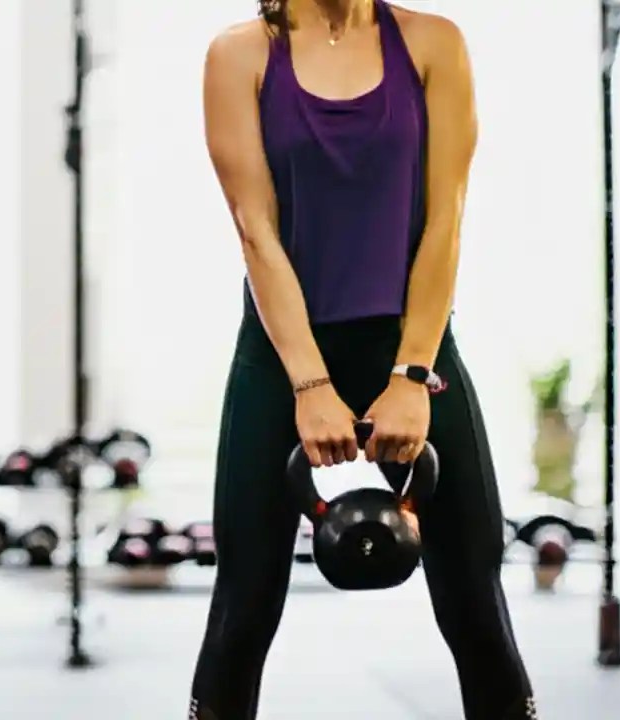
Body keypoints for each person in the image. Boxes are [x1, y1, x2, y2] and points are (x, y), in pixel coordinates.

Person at [188, 1, 537, 718]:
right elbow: (256, 232)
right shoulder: (240, 55)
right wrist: (309, 382)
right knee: (242, 608)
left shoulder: (434, 45)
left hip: (409, 347)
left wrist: (412, 374)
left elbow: (447, 217)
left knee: (476, 597)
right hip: (280, 355)